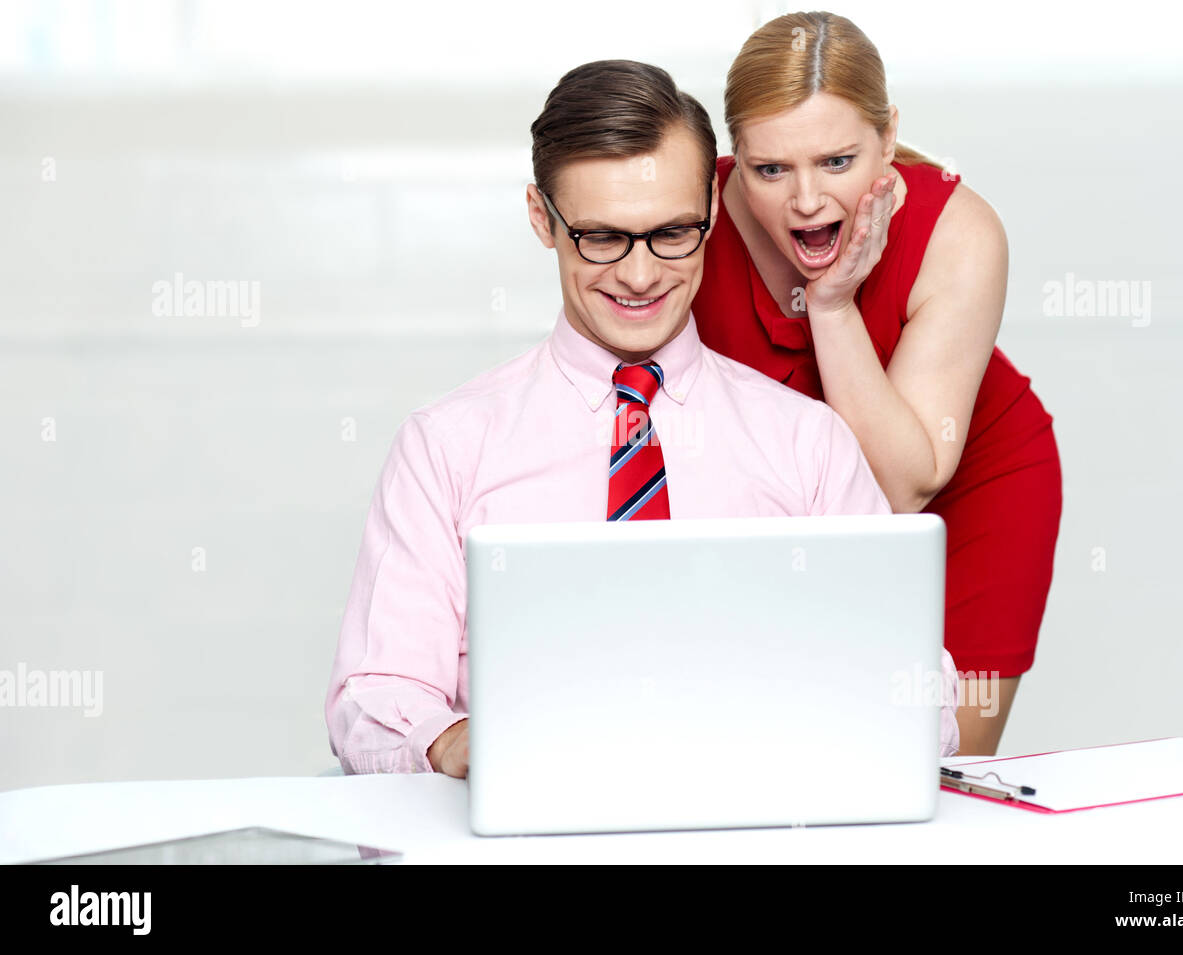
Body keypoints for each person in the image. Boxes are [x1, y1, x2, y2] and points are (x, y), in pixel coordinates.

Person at [324, 59, 960, 778]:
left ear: (713, 215)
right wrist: (455, 743)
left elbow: (926, 697)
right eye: (601, 237)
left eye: (671, 234)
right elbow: (373, 700)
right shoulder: (445, 447)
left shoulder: (805, 443)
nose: (638, 274)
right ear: (542, 217)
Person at [692, 11, 1063, 755]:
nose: (805, 200)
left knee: (928, 772)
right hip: (775, 515)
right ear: (734, 158)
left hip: (959, 492)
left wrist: (831, 306)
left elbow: (900, 489)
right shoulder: (689, 222)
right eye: (771, 170)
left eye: (837, 161)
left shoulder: (961, 232)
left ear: (888, 137)